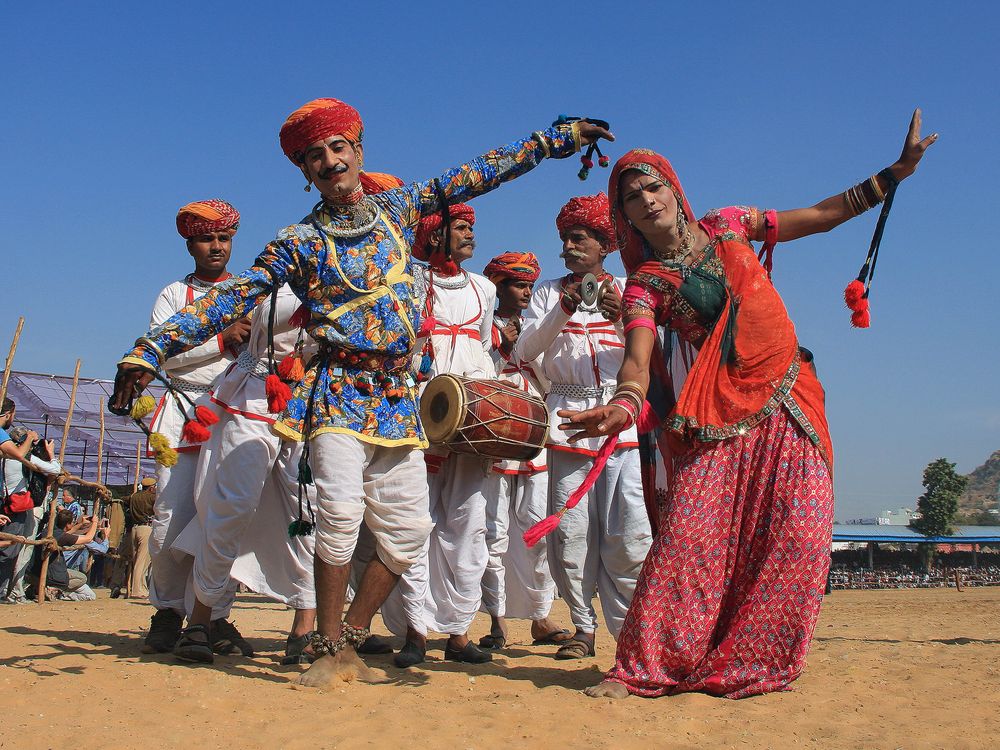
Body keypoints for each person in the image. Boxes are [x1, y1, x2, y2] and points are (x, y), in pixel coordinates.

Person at [109, 97, 611, 688]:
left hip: (398, 396)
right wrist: (148, 349)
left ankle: (347, 637)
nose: (328, 161)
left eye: (337, 148)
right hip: (335, 391)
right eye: (313, 156)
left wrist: (555, 140)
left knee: (407, 533)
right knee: (340, 516)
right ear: (303, 172)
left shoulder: (399, 207)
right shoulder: (298, 241)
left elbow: (482, 170)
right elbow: (232, 297)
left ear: (358, 151)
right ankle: (324, 646)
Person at [561, 111, 937, 699]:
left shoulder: (731, 225)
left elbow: (819, 216)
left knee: (799, 535)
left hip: (790, 396)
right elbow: (636, 356)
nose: (647, 199)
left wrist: (896, 173)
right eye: (632, 197)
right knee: (691, 538)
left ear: (675, 189)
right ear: (626, 217)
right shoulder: (647, 284)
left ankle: (751, 660)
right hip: (716, 415)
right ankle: (644, 667)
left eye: (654, 185)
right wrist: (624, 400)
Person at [517, 194, 652, 660]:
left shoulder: (630, 288)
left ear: (603, 246)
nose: (568, 248)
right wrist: (563, 310)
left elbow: (643, 355)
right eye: (565, 239)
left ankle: (630, 635)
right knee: (571, 534)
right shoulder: (546, 291)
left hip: (620, 425)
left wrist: (620, 317)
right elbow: (524, 351)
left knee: (628, 533)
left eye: (579, 239)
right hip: (567, 425)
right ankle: (582, 626)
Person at [168, 283, 319, 665]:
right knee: (230, 505)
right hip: (251, 395)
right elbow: (261, 315)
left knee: (312, 512)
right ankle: (201, 620)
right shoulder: (275, 279)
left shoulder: (368, 272)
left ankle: (305, 626)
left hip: (316, 400)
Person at [380, 203, 498, 667]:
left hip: (472, 411)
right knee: (417, 520)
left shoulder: (484, 289)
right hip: (418, 407)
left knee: (469, 522)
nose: (470, 234)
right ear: (433, 235)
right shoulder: (410, 283)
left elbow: (484, 346)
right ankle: (415, 629)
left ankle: (459, 631)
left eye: (473, 227)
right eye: (460, 228)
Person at [139, 200, 251, 655]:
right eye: (208, 238)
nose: (217, 246)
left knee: (223, 519)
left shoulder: (249, 291)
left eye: (224, 238)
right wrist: (221, 341)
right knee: (169, 519)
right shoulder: (173, 295)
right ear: (191, 244)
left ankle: (214, 616)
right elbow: (164, 352)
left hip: (234, 414)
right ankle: (166, 611)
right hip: (183, 409)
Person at [476, 251, 569, 650]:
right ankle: (496, 622)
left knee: (537, 532)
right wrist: (499, 350)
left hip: (535, 438)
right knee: (492, 534)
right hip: (494, 438)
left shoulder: (542, 327)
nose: (527, 292)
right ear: (498, 288)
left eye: (530, 285)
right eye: (518, 285)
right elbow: (472, 375)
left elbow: (554, 375)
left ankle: (540, 618)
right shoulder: (483, 328)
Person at [0, 416, 62, 603]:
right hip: (17, 507)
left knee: (9, 548)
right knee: (11, 550)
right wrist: (51, 454)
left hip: (6, 504)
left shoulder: (5, 457)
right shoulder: (22, 456)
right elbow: (55, 469)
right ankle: (7, 592)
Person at [124, 477, 157, 599]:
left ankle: (139, 587)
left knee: (136, 560)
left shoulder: (133, 497)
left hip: (134, 529)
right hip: (146, 529)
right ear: (152, 487)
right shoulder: (152, 497)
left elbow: (124, 500)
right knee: (142, 561)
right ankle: (138, 590)